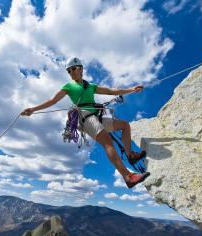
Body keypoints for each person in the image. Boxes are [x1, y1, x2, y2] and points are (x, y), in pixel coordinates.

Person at [21, 57, 149, 188]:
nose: (70, 72)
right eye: (68, 71)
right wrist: (33, 110)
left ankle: (130, 155)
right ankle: (128, 177)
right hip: (85, 117)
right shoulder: (69, 86)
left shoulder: (90, 86)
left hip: (96, 116)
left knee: (124, 125)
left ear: (80, 69)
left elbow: (110, 91)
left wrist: (131, 89)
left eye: (72, 69)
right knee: (107, 142)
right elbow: (53, 101)